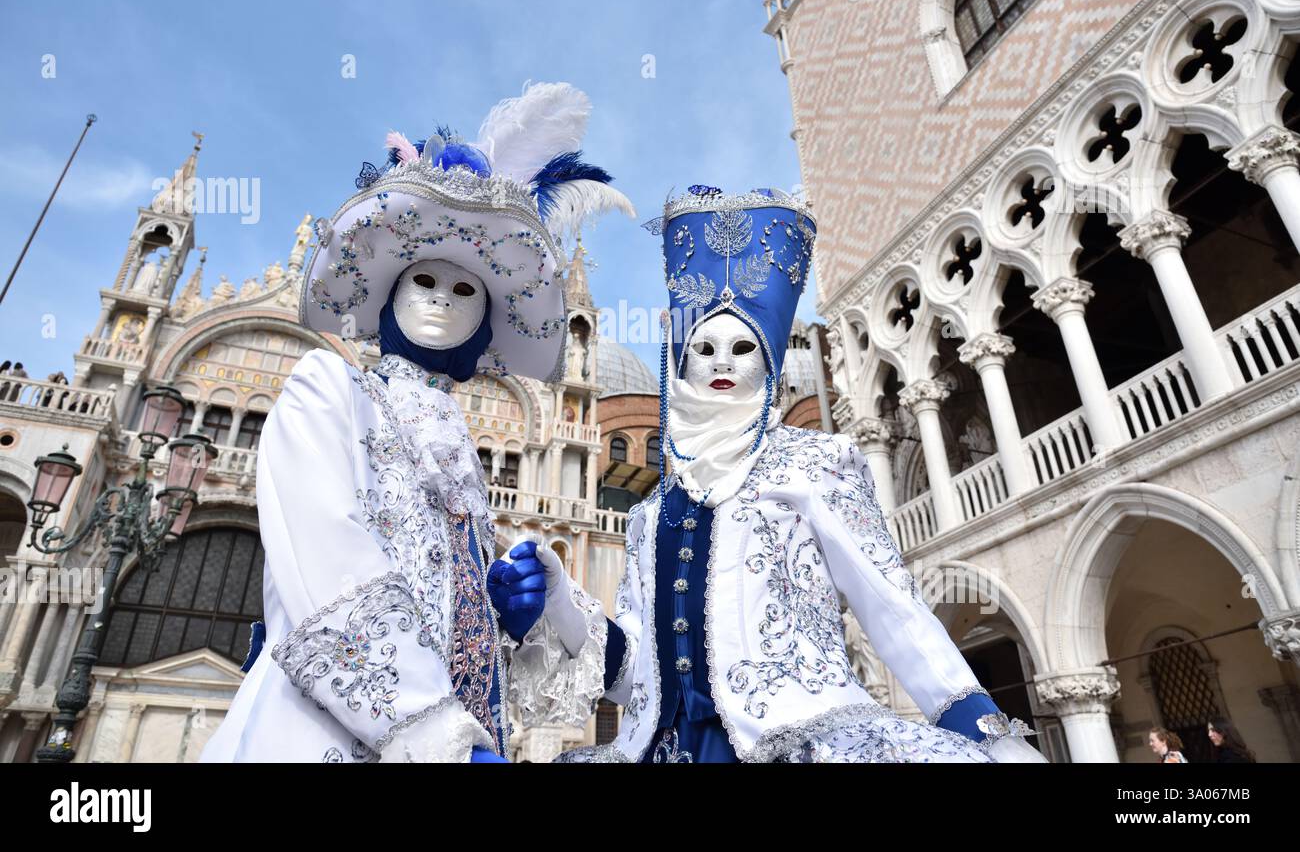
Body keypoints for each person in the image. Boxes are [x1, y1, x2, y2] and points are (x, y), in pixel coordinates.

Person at [492, 186, 1044, 763]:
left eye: (741, 347)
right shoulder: (651, 515)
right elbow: (637, 675)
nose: (723, 361)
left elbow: (895, 610)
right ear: (680, 366)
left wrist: (988, 735)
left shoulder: (817, 466)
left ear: (770, 362)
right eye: (704, 348)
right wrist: (559, 600)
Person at [199, 82, 632, 763]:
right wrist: (438, 736)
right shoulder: (329, 389)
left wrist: (508, 620)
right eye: (424, 282)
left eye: (465, 291)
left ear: (485, 320)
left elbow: (439, 611)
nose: (440, 302)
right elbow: (329, 569)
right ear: (388, 290)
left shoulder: (460, 452)